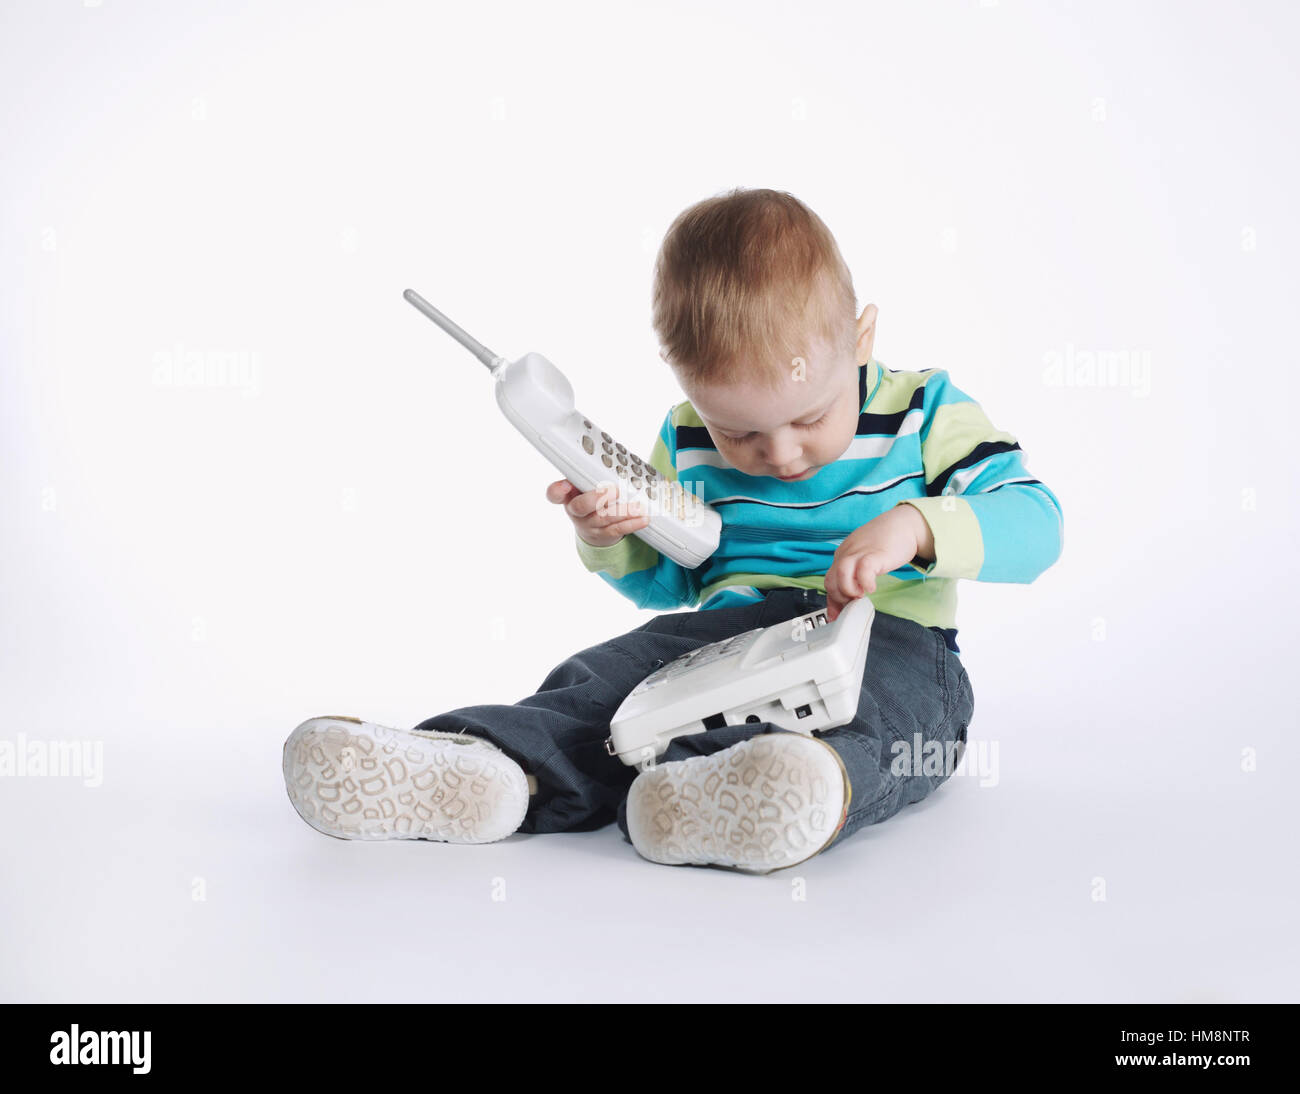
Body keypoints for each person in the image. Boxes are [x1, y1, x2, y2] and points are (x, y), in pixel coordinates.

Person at [282, 187, 1064, 874]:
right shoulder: (688, 435)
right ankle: (489, 766)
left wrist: (915, 526)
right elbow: (668, 582)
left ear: (858, 341)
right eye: (741, 435)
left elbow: (1037, 523)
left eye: (809, 416)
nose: (779, 456)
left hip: (887, 636)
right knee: (611, 677)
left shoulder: (925, 409)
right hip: (725, 635)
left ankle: (783, 781)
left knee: (890, 713)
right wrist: (611, 534)